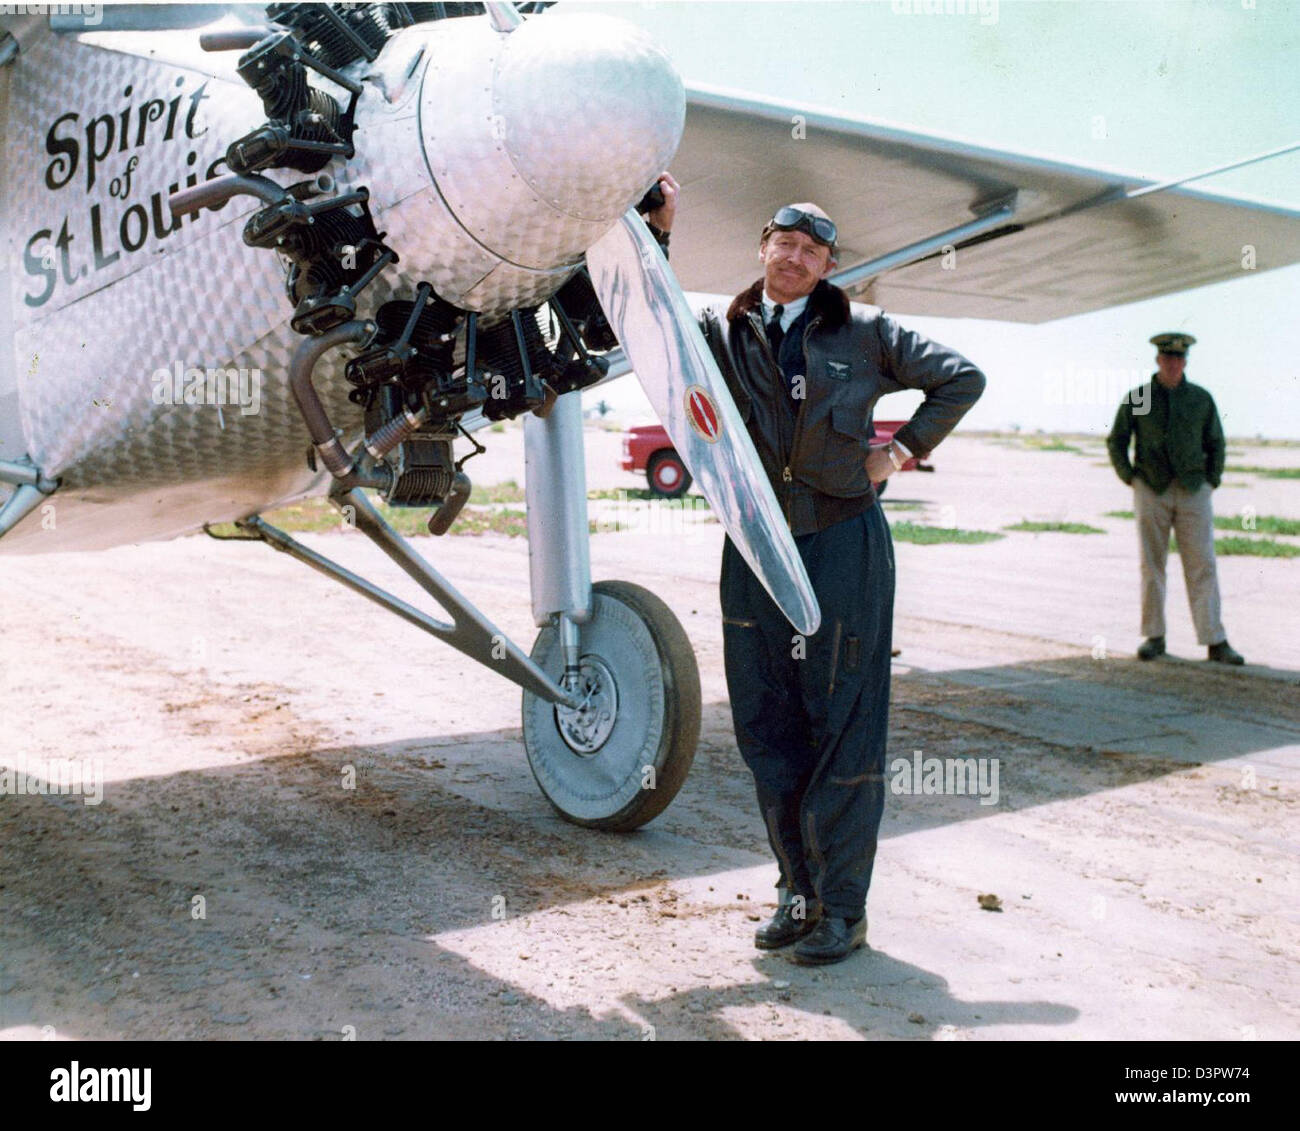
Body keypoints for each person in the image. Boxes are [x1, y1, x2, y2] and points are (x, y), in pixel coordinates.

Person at [645, 175, 986, 964]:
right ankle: (795, 892)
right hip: (757, 544)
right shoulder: (724, 330)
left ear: (827, 265)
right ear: (762, 248)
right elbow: (652, 322)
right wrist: (658, 233)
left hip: (842, 543)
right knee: (767, 723)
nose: (795, 257)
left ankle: (843, 910)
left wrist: (896, 452)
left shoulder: (864, 330)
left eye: (811, 250)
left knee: (842, 725)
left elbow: (959, 377)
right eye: (784, 243)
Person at [1106, 333, 1243, 665]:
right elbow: (1117, 440)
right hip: (1151, 488)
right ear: (1158, 360)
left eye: (1179, 359)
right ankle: (1154, 637)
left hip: (1194, 490)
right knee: (1152, 564)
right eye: (1167, 358)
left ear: (1185, 362)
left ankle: (1215, 640)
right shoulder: (1140, 397)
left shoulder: (1199, 399)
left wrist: (1211, 480)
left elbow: (1216, 443)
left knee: (1202, 564)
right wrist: (1131, 477)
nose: (1173, 363)